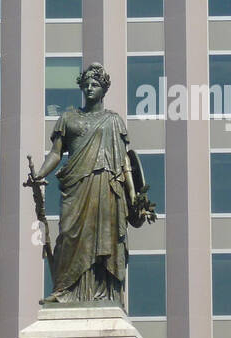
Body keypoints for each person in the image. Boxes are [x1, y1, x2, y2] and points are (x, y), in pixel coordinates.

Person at [27, 64, 153, 304]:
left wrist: (134, 197)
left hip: (107, 187)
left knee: (106, 239)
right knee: (68, 234)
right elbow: (56, 153)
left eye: (94, 84)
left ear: (104, 89)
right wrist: (40, 174)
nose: (89, 88)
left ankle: (106, 291)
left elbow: (125, 164)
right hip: (77, 186)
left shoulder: (113, 121)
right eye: (85, 85)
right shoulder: (69, 118)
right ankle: (64, 290)